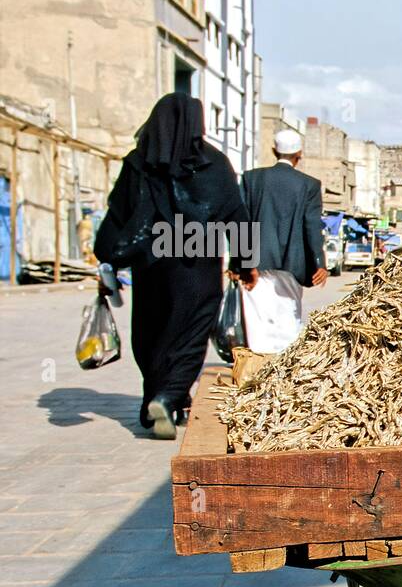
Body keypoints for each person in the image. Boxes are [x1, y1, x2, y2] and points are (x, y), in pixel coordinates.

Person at [94, 92, 248, 440]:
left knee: (153, 332)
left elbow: (117, 213)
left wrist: (106, 259)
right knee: (192, 332)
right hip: (198, 261)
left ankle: (158, 399)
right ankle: (168, 395)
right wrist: (244, 263)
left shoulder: (139, 162)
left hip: (151, 263)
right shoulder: (214, 163)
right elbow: (236, 216)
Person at [237, 129, 327, 353]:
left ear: (273, 151)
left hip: (255, 263)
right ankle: (281, 371)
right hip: (292, 264)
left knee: (258, 322)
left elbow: (240, 220)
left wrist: (238, 263)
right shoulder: (309, 185)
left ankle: (258, 368)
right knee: (288, 318)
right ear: (299, 154)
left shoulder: (251, 179)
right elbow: (312, 226)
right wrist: (319, 262)